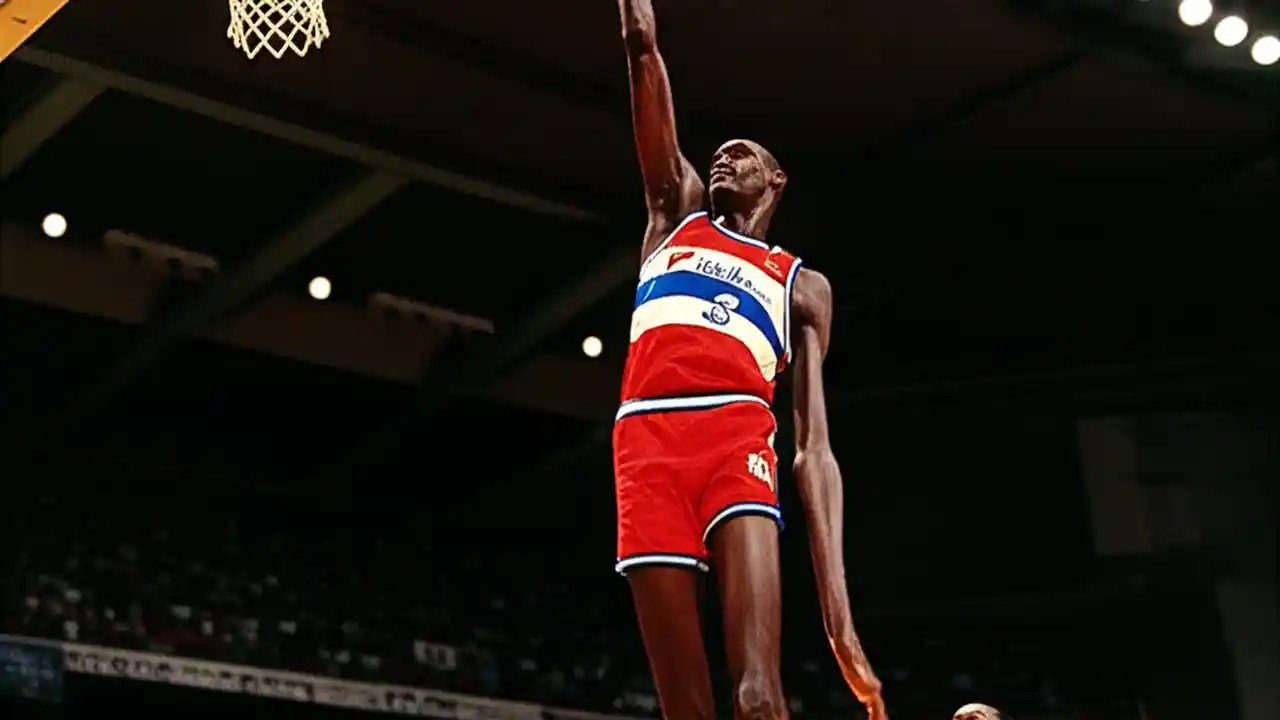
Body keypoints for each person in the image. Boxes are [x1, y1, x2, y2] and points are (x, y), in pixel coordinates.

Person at [610, 2, 886, 719]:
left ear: (777, 180)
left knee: (759, 696)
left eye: (745, 152)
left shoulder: (801, 283)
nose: (724, 157)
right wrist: (637, 24)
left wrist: (840, 619)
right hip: (645, 444)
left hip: (735, 440)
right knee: (686, 710)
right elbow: (642, 46)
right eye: (719, 152)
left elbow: (814, 451)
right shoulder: (675, 215)